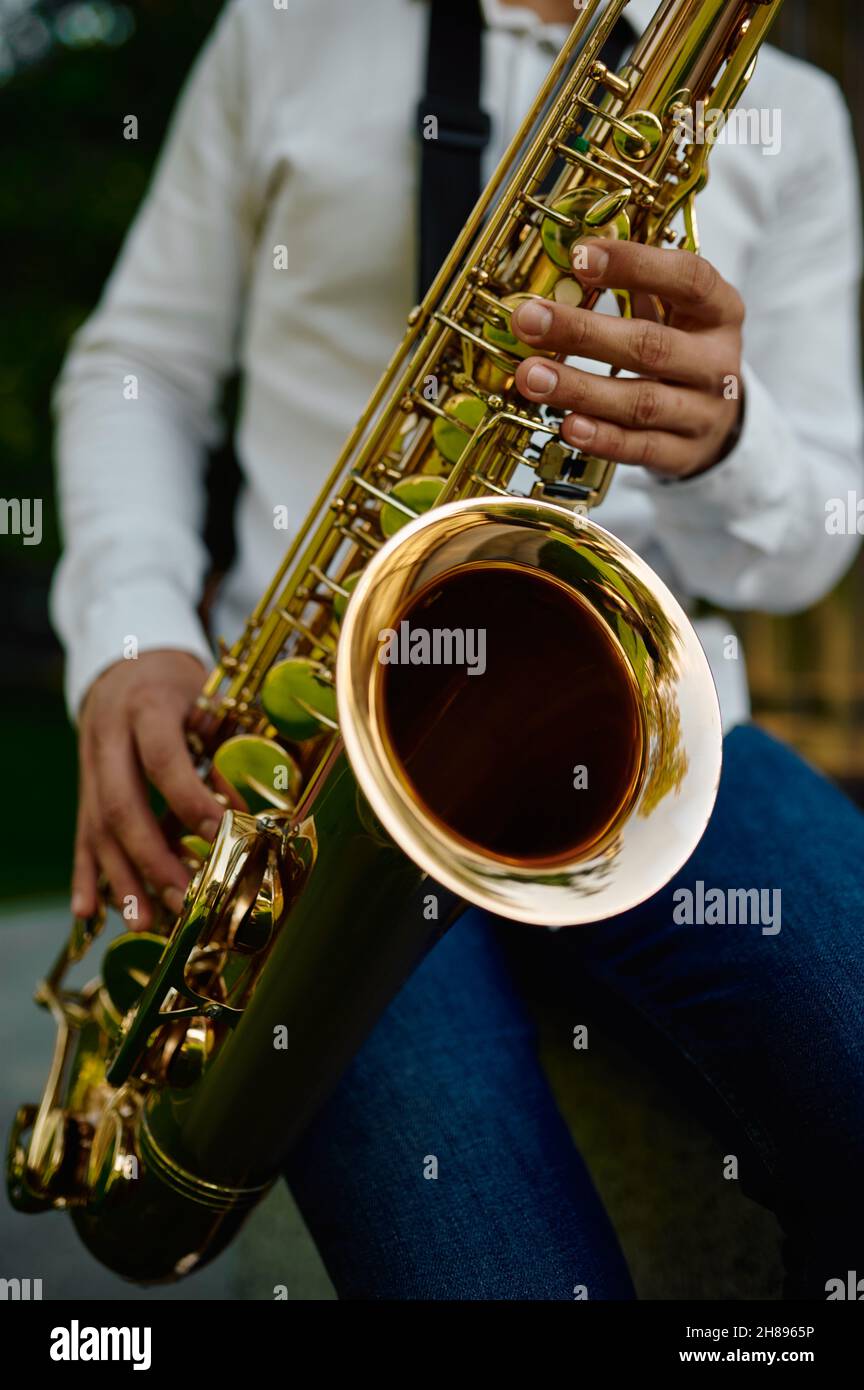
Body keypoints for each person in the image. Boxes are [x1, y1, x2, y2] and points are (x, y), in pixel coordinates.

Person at [51, 0, 864, 1299]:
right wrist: (131, 636)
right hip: (327, 762)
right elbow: (138, 364)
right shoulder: (283, 30)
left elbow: (821, 524)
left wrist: (727, 436)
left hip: (651, 736)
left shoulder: (799, 118)